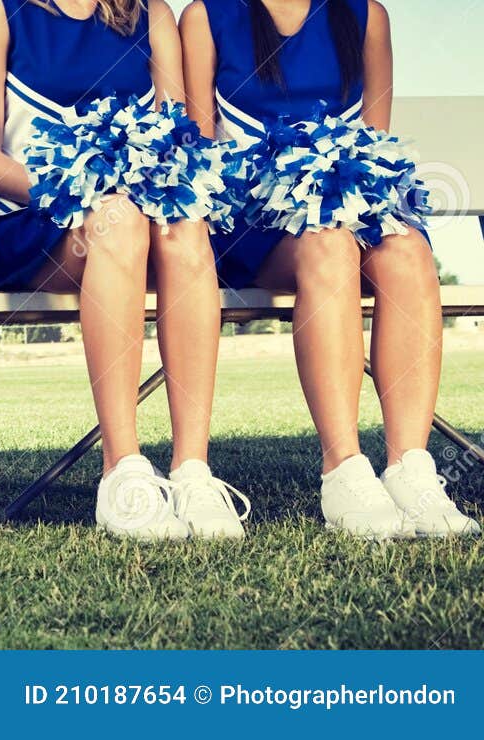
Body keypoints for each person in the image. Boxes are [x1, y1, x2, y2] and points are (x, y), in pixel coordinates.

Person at [182, 0, 477, 538]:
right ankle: (342, 468)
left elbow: (374, 147)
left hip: (344, 210)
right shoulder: (206, 16)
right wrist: (285, 186)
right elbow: (200, 153)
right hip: (257, 226)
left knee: (407, 248)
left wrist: (335, 189)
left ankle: (410, 468)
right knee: (328, 242)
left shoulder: (367, 16)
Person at [0, 0, 248, 540]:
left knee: (186, 228)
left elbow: (178, 139)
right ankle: (122, 470)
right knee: (117, 222)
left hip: (136, 223)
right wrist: (81, 188)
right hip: (40, 225)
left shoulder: (153, 15)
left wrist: (146, 184)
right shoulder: (0, 10)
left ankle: (192, 470)